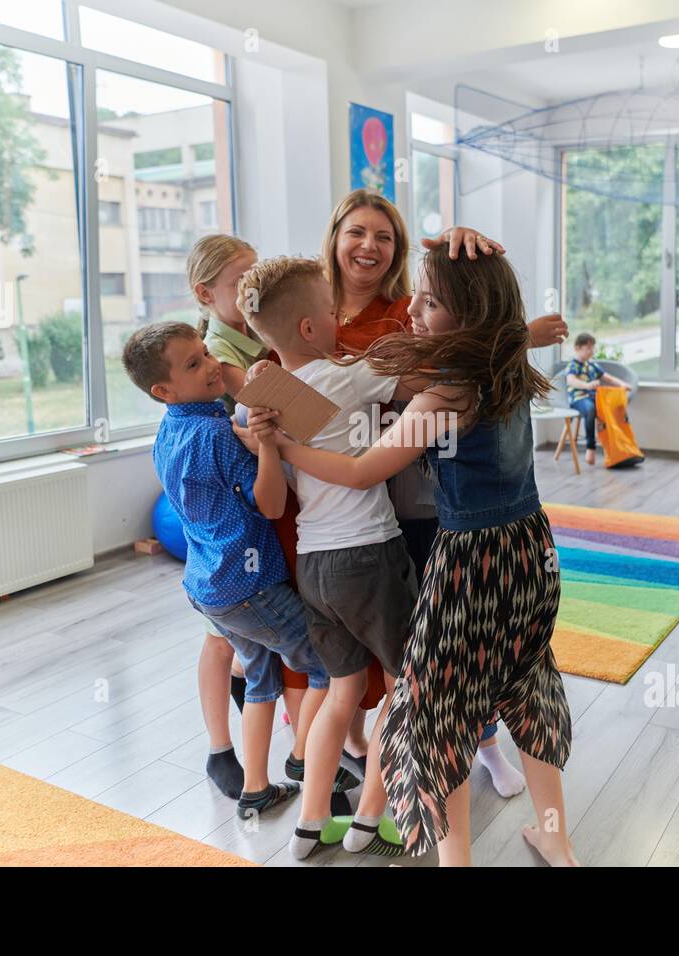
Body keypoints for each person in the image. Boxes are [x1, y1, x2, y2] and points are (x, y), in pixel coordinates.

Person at [254, 248, 578, 867]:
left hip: (467, 563)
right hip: (530, 552)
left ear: (468, 317)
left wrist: (286, 449)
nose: (413, 311)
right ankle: (557, 840)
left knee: (439, 711)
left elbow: (358, 472)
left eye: (429, 303)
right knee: (531, 685)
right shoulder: (510, 369)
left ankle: (456, 858)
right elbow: (498, 328)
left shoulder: (441, 400)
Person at [325, 188, 568, 774]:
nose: (369, 246)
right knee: (374, 653)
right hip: (350, 514)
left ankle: (458, 751)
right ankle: (354, 759)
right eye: (356, 232)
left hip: (433, 512)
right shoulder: (316, 317)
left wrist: (470, 250)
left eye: (384, 236)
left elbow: (467, 338)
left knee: (442, 659)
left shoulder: (419, 328)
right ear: (332, 240)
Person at [235, 256, 423, 861]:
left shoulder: (259, 405)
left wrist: (270, 437)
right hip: (369, 552)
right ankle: (371, 815)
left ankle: (311, 823)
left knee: (341, 689)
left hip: (313, 564)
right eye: (330, 308)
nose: (340, 315)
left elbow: (268, 488)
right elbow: (419, 381)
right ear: (313, 329)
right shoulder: (348, 377)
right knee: (402, 685)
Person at [120, 321, 330, 819]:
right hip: (250, 585)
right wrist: (269, 449)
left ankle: (256, 787)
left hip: (208, 585)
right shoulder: (217, 435)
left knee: (261, 680)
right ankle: (305, 759)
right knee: (326, 664)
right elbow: (271, 504)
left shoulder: (170, 432)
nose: (212, 365)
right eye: (193, 364)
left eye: (205, 353)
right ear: (163, 389)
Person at [565, 332, 631, 466]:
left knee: (614, 409)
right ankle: (590, 447)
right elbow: (571, 380)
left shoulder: (592, 365)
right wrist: (587, 385)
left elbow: (608, 378)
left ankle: (619, 448)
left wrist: (623, 384)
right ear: (578, 348)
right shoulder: (574, 365)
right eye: (588, 348)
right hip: (579, 399)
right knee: (590, 409)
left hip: (594, 398)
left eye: (592, 348)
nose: (591, 351)